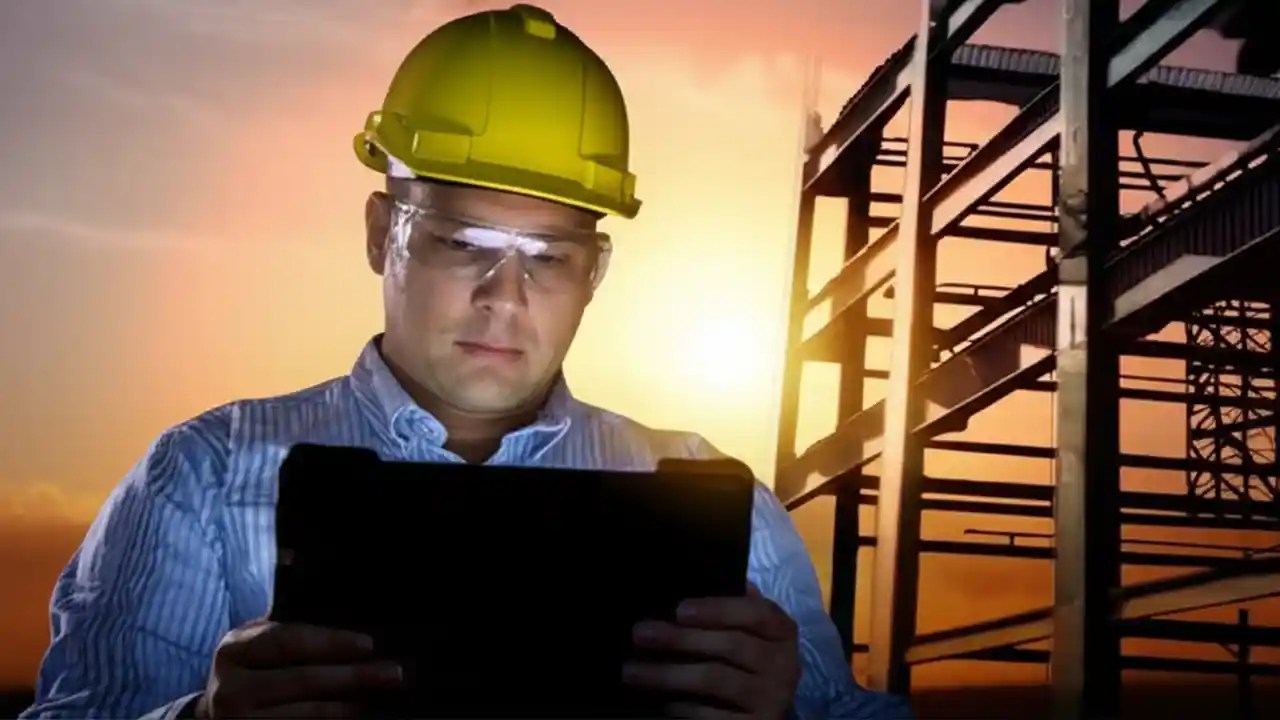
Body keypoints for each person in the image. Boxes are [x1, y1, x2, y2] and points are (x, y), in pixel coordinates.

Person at [21, 5, 912, 719]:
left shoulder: (720, 508)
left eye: (549, 257)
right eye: (462, 243)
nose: (505, 296)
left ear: (595, 273)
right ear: (383, 235)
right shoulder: (203, 480)